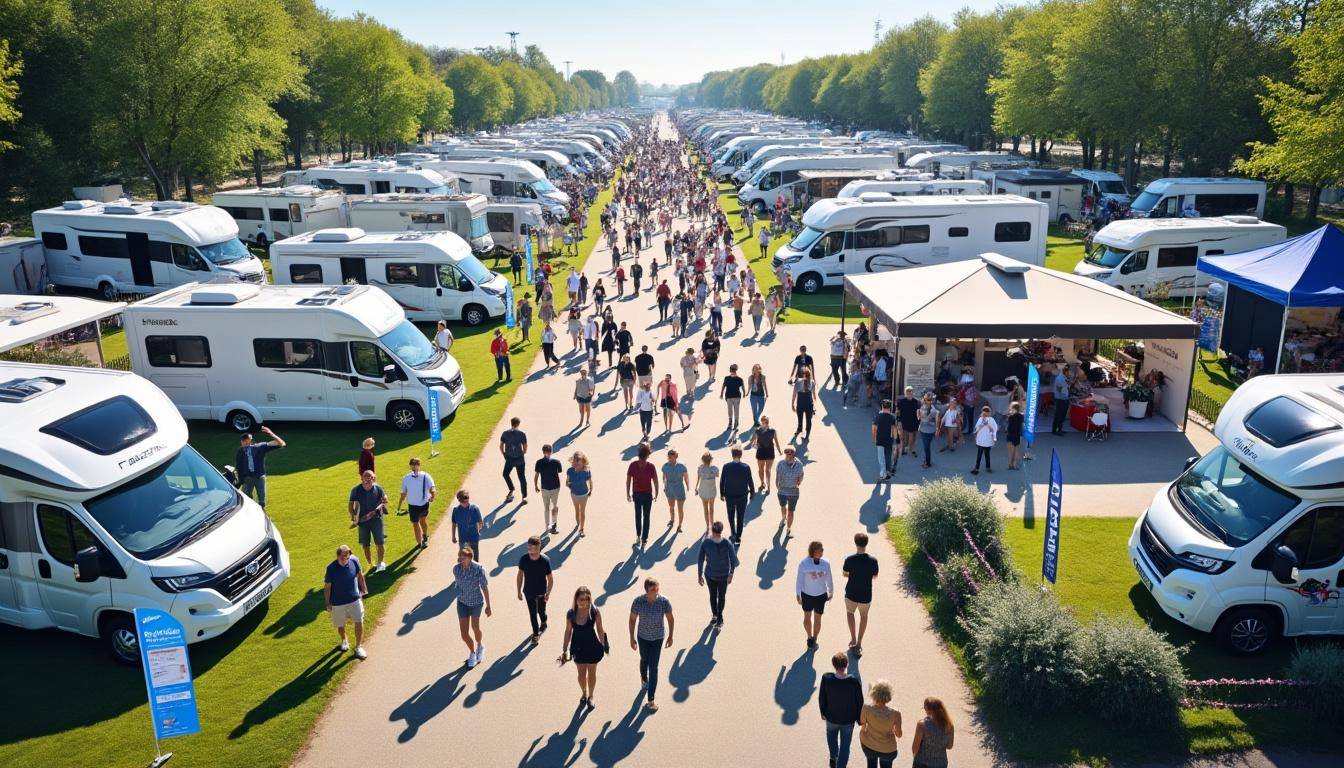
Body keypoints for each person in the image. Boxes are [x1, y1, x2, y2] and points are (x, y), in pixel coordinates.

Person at [628, 578, 675, 712]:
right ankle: (644, 678)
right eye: (653, 590)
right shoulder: (638, 602)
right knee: (645, 660)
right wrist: (631, 638)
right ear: (647, 591)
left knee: (654, 667)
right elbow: (632, 620)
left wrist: (671, 636)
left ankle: (651, 700)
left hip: (658, 638)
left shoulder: (663, 601)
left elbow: (670, 619)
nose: (656, 592)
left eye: (657, 589)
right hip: (642, 637)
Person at [560, 586, 606, 708]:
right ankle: (584, 693)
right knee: (581, 675)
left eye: (586, 599)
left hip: (593, 646)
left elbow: (600, 629)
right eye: (581, 599)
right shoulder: (571, 614)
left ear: (589, 600)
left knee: (591, 673)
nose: (583, 601)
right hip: (577, 647)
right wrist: (564, 649)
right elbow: (568, 631)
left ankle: (591, 696)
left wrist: (603, 644)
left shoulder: (594, 612)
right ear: (576, 599)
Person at [819, 651, 863, 768]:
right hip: (848, 720)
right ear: (847, 664)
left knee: (831, 738)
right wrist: (859, 718)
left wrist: (822, 712)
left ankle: (833, 758)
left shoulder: (826, 678)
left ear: (833, 665)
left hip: (831, 717)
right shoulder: (853, 681)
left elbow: (822, 697)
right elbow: (859, 701)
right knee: (845, 746)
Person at [324, 544, 368, 660]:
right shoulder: (331, 568)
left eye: (347, 556)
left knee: (359, 621)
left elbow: (360, 576)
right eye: (343, 557)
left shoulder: (354, 561)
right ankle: (344, 640)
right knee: (340, 624)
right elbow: (328, 587)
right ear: (338, 556)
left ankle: (358, 647)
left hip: (354, 599)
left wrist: (364, 588)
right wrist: (328, 603)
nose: (346, 559)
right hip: (337, 602)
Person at [453, 545, 492, 669]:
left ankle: (480, 645)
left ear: (470, 557)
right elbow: (458, 584)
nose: (460, 559)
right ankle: (472, 653)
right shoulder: (456, 569)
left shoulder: (478, 569)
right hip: (462, 603)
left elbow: (484, 587)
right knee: (464, 634)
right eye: (459, 556)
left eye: (463, 557)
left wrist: (488, 605)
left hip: (476, 603)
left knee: (475, 628)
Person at [842, 533, 879, 656]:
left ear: (855, 543)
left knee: (850, 613)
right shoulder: (873, 561)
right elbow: (874, 576)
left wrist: (852, 575)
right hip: (866, 594)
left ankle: (852, 639)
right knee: (864, 616)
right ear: (866, 543)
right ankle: (859, 643)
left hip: (851, 592)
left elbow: (845, 573)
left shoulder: (849, 559)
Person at [697, 521, 739, 628]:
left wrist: (699, 575)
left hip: (710, 574)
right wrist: (731, 573)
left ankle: (716, 616)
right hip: (723, 575)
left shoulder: (706, 542)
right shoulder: (727, 543)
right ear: (721, 530)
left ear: (712, 530)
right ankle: (718, 617)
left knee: (713, 596)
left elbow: (700, 559)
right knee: (721, 597)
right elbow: (733, 560)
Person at [516, 536, 554, 645]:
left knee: (541, 611)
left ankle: (544, 621)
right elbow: (520, 576)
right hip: (528, 591)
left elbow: (550, 579)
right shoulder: (524, 559)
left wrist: (548, 592)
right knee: (532, 614)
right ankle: (536, 634)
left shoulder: (545, 561)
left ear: (539, 548)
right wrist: (518, 591)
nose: (530, 551)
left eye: (533, 548)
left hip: (542, 592)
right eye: (529, 548)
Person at [348, 470, 388, 572]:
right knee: (366, 545)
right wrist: (354, 518)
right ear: (362, 479)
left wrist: (384, 501)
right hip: (362, 522)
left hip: (376, 520)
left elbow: (384, 499)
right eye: (366, 478)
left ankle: (380, 563)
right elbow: (350, 505)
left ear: (373, 478)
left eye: (370, 477)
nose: (368, 480)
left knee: (380, 542)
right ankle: (370, 564)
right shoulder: (356, 490)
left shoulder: (378, 488)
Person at [236, 427, 285, 508]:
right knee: (246, 501)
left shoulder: (259, 447)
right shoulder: (240, 451)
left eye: (246, 440)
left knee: (262, 501)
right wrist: (240, 481)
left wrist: (271, 433)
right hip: (247, 478)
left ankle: (263, 516)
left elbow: (281, 443)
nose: (244, 442)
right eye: (243, 441)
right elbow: (239, 466)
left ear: (250, 440)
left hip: (259, 477)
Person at [796, 540, 833, 648]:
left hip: (821, 595)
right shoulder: (804, 564)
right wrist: (798, 593)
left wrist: (831, 591)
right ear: (813, 551)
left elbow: (829, 578)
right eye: (820, 550)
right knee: (807, 617)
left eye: (822, 549)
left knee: (818, 618)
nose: (822, 551)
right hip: (807, 595)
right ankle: (809, 636)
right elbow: (799, 580)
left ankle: (815, 638)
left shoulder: (826, 563)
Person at [858, 680, 903, 768]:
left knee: (871, 765)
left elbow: (863, 725)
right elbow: (899, 735)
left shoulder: (866, 708)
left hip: (869, 745)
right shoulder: (896, 714)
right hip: (888, 749)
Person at [718, 447, 756, 545]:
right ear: (741, 455)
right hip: (742, 496)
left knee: (730, 515)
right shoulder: (746, 467)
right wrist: (752, 493)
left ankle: (733, 532)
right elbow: (750, 481)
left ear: (732, 455)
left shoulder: (726, 466)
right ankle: (738, 537)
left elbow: (722, 481)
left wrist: (722, 493)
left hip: (729, 496)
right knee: (740, 516)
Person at [397, 458, 436, 549]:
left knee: (423, 521)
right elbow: (403, 493)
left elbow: (432, 487)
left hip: (424, 504)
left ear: (419, 465)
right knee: (415, 523)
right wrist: (399, 505)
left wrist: (433, 495)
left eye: (416, 464)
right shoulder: (406, 478)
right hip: (412, 506)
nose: (414, 466)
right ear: (410, 466)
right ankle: (420, 543)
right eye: (413, 464)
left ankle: (425, 534)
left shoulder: (426, 476)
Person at [626, 443, 660, 547]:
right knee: (646, 516)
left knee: (638, 515)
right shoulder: (651, 466)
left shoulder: (632, 465)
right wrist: (657, 493)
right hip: (647, 494)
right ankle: (644, 539)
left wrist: (628, 493)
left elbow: (628, 481)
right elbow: (655, 481)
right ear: (648, 455)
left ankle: (638, 536)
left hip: (637, 494)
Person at [912, 697, 954, 768]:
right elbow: (949, 746)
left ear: (927, 709)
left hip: (922, 763)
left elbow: (915, 748)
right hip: (941, 764)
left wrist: (915, 760)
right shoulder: (949, 725)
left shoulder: (922, 724)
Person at [533, 444, 564, 535]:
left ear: (543, 452)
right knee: (554, 506)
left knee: (546, 508)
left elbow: (536, 476)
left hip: (545, 488)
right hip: (555, 488)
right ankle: (554, 525)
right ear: (552, 451)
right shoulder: (556, 462)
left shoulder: (539, 462)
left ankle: (547, 526)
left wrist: (535, 485)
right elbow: (560, 473)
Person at [450, 489, 484, 562]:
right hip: (463, 539)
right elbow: (454, 524)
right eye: (463, 502)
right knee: (462, 556)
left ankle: (476, 570)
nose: (465, 503)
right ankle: (463, 570)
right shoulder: (456, 510)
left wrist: (478, 530)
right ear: (459, 501)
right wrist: (453, 536)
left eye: (467, 501)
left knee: (475, 556)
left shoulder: (475, 508)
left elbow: (480, 521)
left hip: (474, 538)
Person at [500, 417, 528, 504]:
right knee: (522, 477)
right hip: (520, 459)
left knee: (505, 474)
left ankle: (511, 489)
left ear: (511, 423)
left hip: (509, 459)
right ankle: (524, 497)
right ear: (518, 424)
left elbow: (501, 445)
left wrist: (504, 454)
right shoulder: (522, 434)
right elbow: (525, 446)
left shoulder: (505, 433)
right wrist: (523, 452)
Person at [752, 415, 783, 493]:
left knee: (766, 470)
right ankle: (764, 484)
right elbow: (753, 442)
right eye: (763, 422)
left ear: (767, 423)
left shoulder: (771, 431)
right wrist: (754, 444)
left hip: (767, 451)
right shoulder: (758, 431)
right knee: (763, 470)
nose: (763, 424)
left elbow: (776, 441)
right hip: (763, 451)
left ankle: (766, 485)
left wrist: (779, 451)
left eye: (765, 423)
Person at [566, 452, 592, 537]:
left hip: (584, 494)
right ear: (573, 462)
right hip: (574, 494)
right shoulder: (570, 471)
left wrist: (591, 489)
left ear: (583, 462)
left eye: (579, 463)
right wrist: (571, 487)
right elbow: (567, 482)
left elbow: (590, 481)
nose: (577, 465)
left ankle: (581, 529)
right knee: (577, 510)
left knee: (582, 511)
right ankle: (578, 524)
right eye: (575, 463)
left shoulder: (586, 471)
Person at [661, 449, 688, 532]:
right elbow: (664, 477)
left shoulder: (682, 466)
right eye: (668, 457)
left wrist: (687, 485)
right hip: (669, 488)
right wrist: (665, 486)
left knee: (680, 509)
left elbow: (686, 477)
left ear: (676, 457)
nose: (669, 458)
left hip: (679, 488)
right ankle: (672, 520)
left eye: (671, 457)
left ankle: (679, 525)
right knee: (671, 506)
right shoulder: (665, 466)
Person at [871, 400, 898, 481]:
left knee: (881, 457)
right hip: (889, 440)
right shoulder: (892, 417)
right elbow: (894, 429)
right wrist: (895, 440)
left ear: (882, 407)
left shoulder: (877, 416)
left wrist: (874, 438)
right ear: (890, 408)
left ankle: (882, 473)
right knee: (888, 456)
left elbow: (874, 428)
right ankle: (887, 471)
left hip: (879, 439)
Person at [694, 451, 720, 532]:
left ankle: (707, 526)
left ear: (703, 460)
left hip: (703, 490)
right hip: (711, 490)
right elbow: (717, 475)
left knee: (705, 509)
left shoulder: (700, 468)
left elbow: (698, 478)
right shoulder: (714, 468)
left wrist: (696, 487)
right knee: (711, 508)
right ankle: (712, 525)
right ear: (711, 460)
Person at [971, 405, 998, 475]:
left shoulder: (991, 419)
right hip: (981, 440)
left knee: (987, 455)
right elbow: (976, 428)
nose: (986, 414)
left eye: (988, 412)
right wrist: (983, 424)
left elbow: (995, 428)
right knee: (979, 455)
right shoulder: (980, 419)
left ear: (989, 413)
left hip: (988, 440)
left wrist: (994, 437)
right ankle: (976, 468)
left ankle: (988, 467)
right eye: (985, 412)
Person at [719, 363, 745, 431]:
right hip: (735, 396)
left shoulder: (728, 378)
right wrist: (744, 393)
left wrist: (721, 394)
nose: (732, 371)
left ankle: (732, 422)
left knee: (731, 410)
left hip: (730, 396)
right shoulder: (739, 379)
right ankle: (734, 422)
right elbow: (743, 387)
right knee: (735, 410)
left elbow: (723, 386)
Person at [793, 367, 817, 440]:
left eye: (807, 375)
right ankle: (800, 429)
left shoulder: (811, 382)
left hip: (806, 403)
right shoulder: (798, 382)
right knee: (802, 418)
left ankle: (807, 434)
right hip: (804, 402)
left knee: (808, 420)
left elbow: (814, 393)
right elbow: (794, 393)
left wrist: (814, 406)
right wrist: (792, 404)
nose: (806, 377)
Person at [896, 386, 920, 458]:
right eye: (908, 391)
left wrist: (918, 422)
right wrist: (898, 421)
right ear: (905, 393)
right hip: (903, 422)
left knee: (912, 437)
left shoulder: (916, 402)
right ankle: (902, 450)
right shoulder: (901, 402)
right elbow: (897, 412)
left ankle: (911, 449)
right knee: (903, 438)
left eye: (911, 391)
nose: (909, 393)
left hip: (913, 422)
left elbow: (918, 413)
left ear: (913, 392)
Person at [917, 394, 939, 469]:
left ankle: (928, 463)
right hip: (924, 430)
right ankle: (926, 460)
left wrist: (937, 429)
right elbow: (920, 418)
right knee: (927, 447)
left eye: (929, 400)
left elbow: (927, 420)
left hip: (928, 431)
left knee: (926, 447)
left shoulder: (932, 410)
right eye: (926, 399)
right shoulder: (923, 407)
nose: (927, 401)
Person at [1050, 366, 1071, 435]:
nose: (1069, 373)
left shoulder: (1064, 378)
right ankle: (1055, 430)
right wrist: (1065, 397)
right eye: (1068, 372)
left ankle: (1060, 429)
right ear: (1065, 371)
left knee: (1062, 415)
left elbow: (1067, 386)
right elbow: (1059, 389)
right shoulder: (1060, 378)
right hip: (1060, 399)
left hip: (1064, 398)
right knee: (1059, 415)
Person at [1006, 401, 1025, 470]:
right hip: (1017, 435)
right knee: (1016, 451)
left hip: (1009, 434)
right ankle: (1015, 464)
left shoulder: (1009, 416)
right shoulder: (1021, 416)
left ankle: (1010, 464)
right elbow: (1022, 426)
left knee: (1010, 452)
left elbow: (1007, 426)